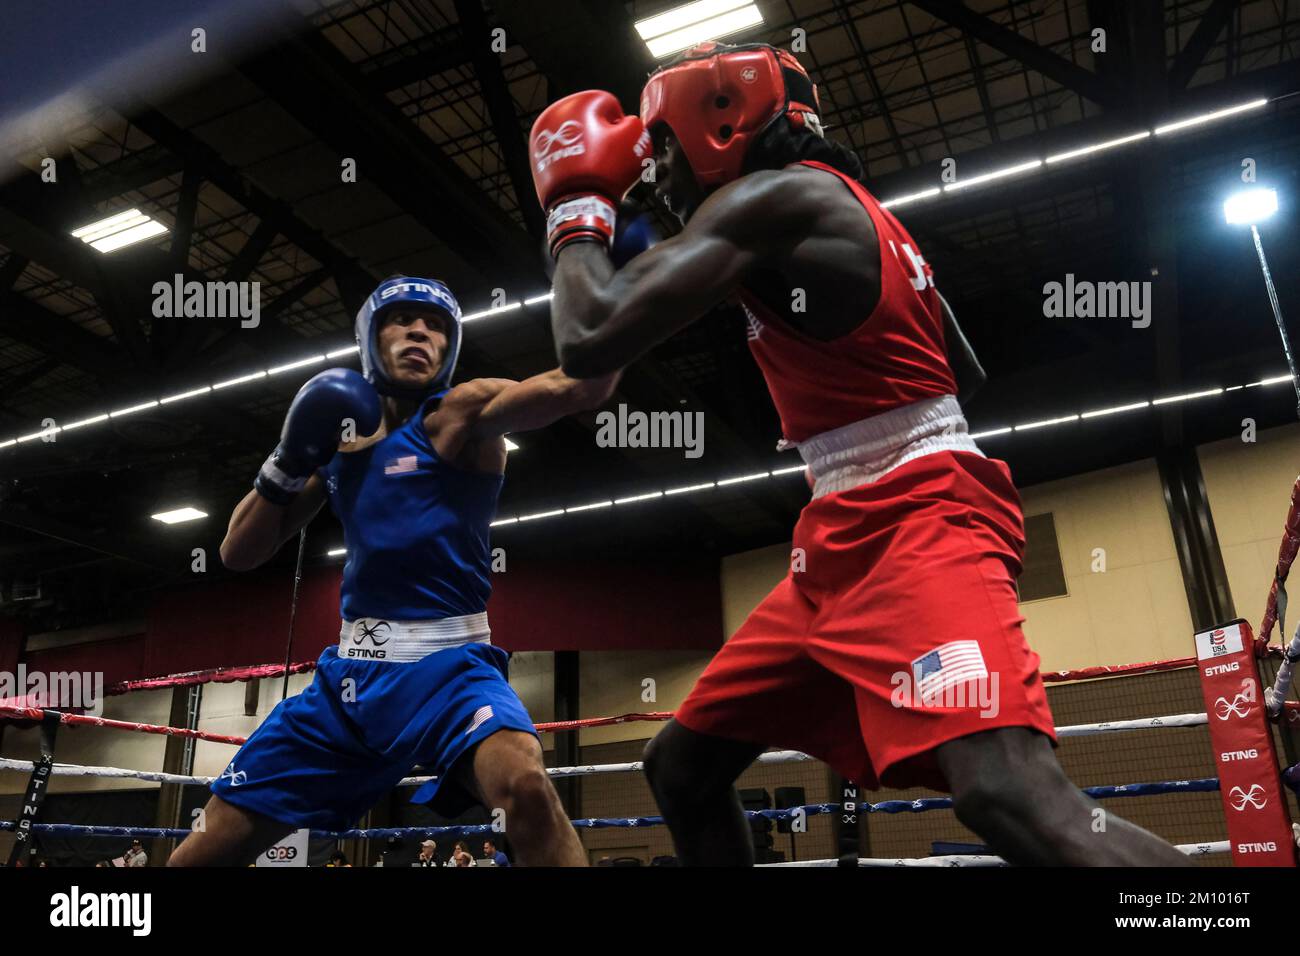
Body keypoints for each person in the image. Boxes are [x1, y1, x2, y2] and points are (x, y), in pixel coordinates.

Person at [528, 41, 1189, 866]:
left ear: (721, 123)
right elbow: (964, 371)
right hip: (845, 533)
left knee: (1007, 793)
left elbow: (587, 335)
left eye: (661, 144)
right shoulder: (850, 207)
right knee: (682, 766)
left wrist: (575, 200)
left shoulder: (771, 201)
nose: (653, 172)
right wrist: (850, 421)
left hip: (919, 523)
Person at [169, 276, 618, 867]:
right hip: (350, 680)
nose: (419, 332)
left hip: (450, 668)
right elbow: (238, 553)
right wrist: (289, 456)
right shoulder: (340, 443)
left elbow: (579, 386)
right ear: (369, 337)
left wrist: (611, 281)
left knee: (526, 789)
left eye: (435, 325)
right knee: (208, 847)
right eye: (401, 319)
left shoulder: (463, 414)